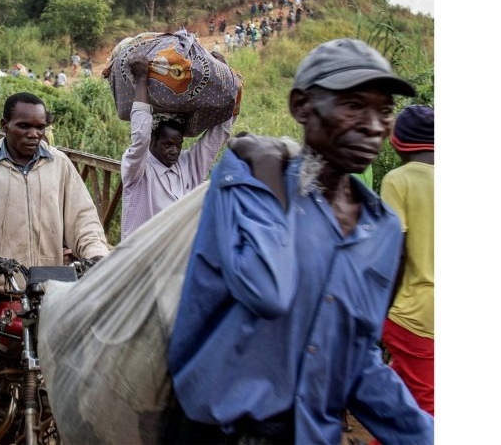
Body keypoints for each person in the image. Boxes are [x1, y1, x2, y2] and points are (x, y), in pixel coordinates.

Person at [166, 38, 434, 444]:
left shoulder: (379, 228)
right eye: (353, 105)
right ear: (301, 107)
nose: (374, 125)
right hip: (222, 431)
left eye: (384, 111)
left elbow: (357, 357)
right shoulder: (252, 178)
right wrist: (269, 172)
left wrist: (422, 435)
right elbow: (267, 290)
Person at [0, 92, 110, 430]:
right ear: (4, 126)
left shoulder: (60, 165)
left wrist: (97, 255)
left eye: (40, 127)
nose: (33, 133)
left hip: (48, 279)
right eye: (23, 125)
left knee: (90, 336)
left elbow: (84, 219)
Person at [119, 52, 232, 241]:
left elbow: (218, 136)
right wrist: (141, 79)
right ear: (152, 140)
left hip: (175, 260)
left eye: (178, 145)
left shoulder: (188, 166)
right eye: (167, 144)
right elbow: (140, 136)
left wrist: (225, 80)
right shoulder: (138, 169)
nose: (174, 150)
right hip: (141, 260)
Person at [379, 105, 435, 416]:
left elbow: (394, 252)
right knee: (402, 396)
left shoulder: (398, 180)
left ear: (399, 143)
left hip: (414, 315)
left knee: (424, 408)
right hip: (428, 319)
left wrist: (380, 309)